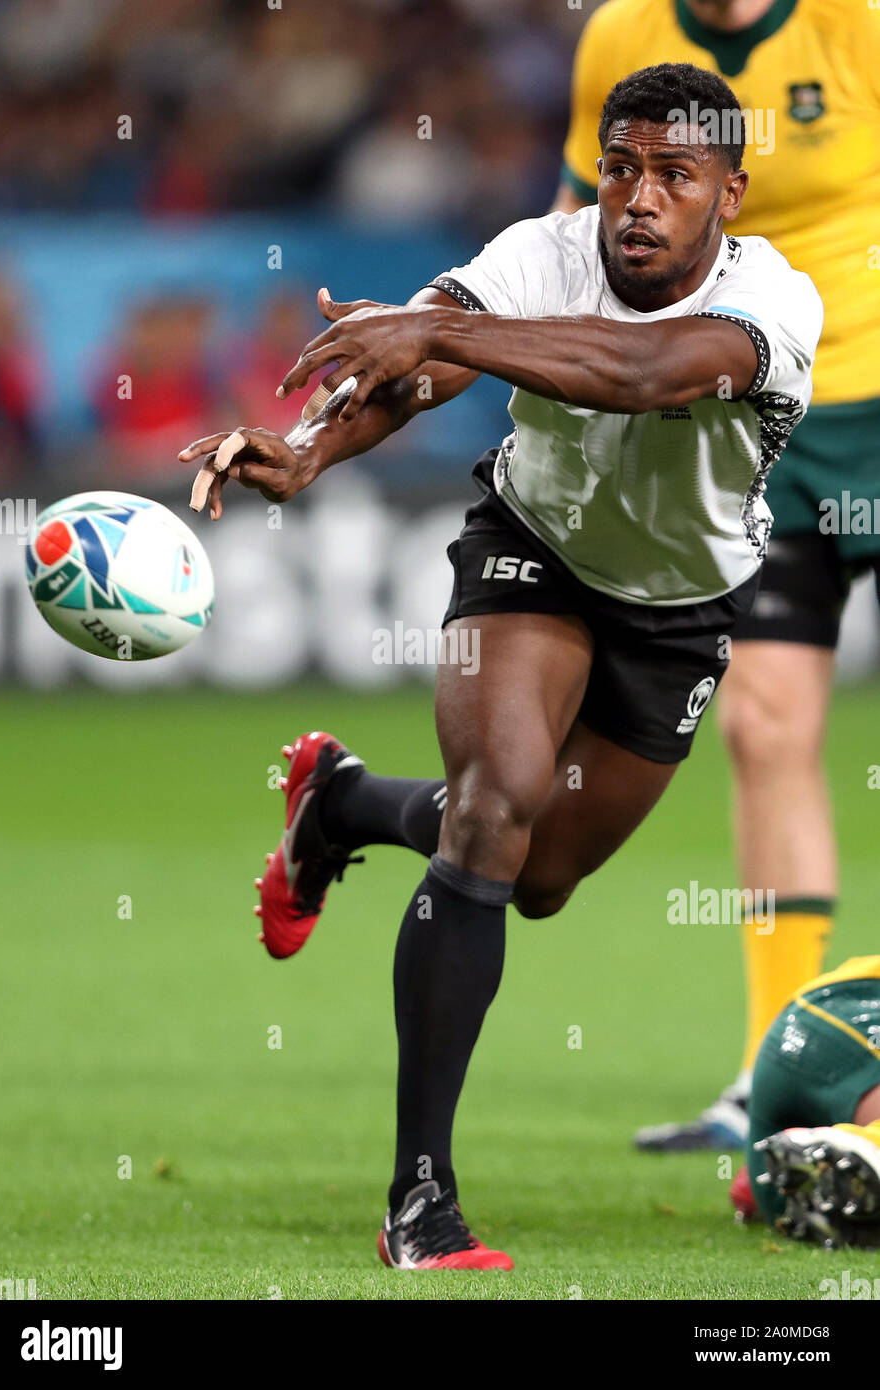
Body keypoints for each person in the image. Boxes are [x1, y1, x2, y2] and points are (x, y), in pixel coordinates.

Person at [182, 63, 822, 1270]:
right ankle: (419, 1201)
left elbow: (641, 374)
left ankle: (345, 804)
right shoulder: (544, 247)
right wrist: (316, 449)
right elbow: (427, 369)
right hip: (532, 550)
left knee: (537, 877)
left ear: (729, 191)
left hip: (680, 609)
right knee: (489, 814)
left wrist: (436, 324)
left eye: (674, 175)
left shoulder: (775, 303)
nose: (638, 197)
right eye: (622, 165)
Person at [550, 0, 880, 1153]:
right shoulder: (621, 36)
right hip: (755, 414)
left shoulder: (860, 23)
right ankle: (771, 1068)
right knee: (763, 728)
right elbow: (574, 224)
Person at [729, 956, 880, 1248]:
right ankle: (857, 1151)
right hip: (850, 1014)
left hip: (815, 1023)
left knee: (778, 1188)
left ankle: (827, 1164)